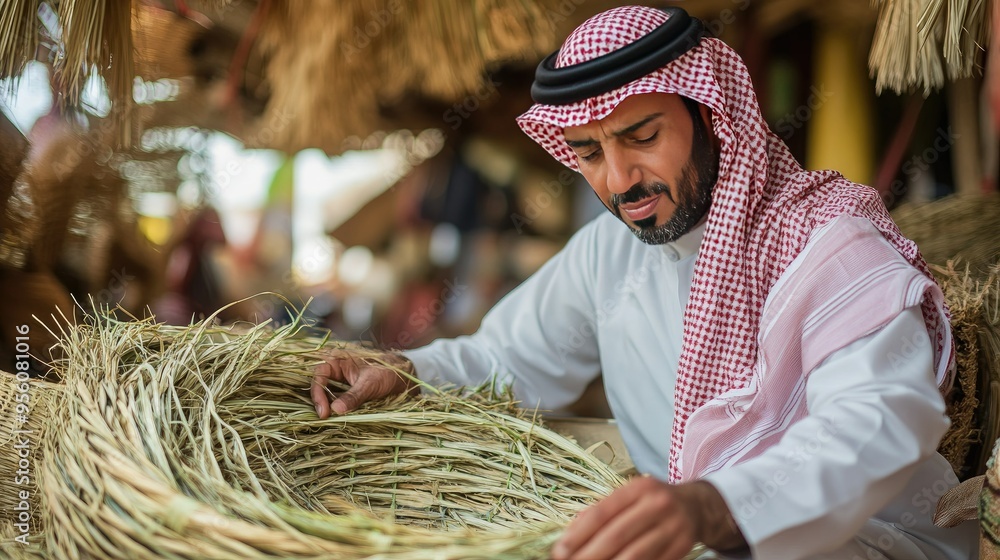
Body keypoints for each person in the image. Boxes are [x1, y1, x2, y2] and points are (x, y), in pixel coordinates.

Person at [311, 6, 979, 559]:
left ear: (711, 116)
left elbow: (878, 423)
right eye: (591, 153)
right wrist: (406, 370)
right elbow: (502, 359)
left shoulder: (829, 245)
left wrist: (716, 507)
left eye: (642, 136)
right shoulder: (608, 253)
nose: (619, 180)